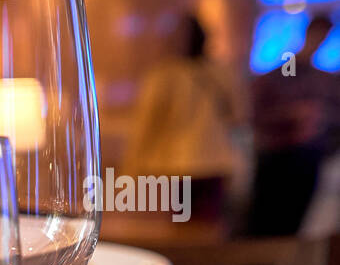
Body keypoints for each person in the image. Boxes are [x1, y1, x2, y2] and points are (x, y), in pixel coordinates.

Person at [123, 13, 246, 225]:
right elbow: (238, 115)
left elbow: (147, 124)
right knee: (210, 225)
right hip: (216, 163)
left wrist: (133, 165)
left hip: (179, 163)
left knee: (181, 225)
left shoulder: (164, 75)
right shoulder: (222, 73)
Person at [247, 14, 340, 236]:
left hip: (309, 158)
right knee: (263, 224)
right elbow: (256, 115)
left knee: (293, 226)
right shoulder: (281, 73)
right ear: (307, 34)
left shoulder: (326, 80)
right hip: (276, 158)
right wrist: (291, 115)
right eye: (317, 34)